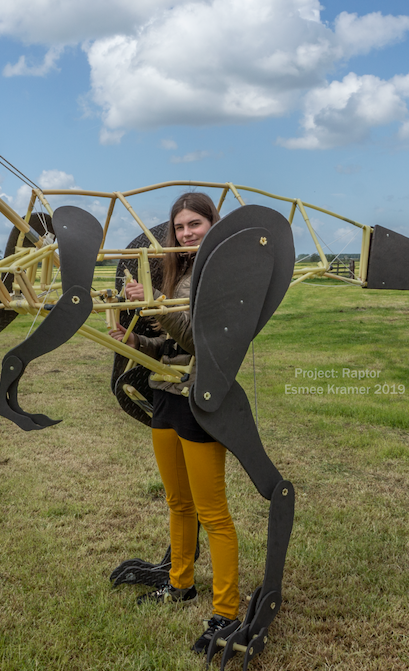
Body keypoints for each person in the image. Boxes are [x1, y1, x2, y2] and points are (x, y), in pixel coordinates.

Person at [108, 192, 240, 654]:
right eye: (179, 227)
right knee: (177, 501)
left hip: (202, 397)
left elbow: (202, 341)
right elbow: (170, 348)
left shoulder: (220, 275)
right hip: (167, 396)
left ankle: (226, 611)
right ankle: (180, 583)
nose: (186, 234)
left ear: (212, 224)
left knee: (213, 513)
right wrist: (131, 339)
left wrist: (158, 304)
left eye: (194, 225)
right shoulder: (178, 272)